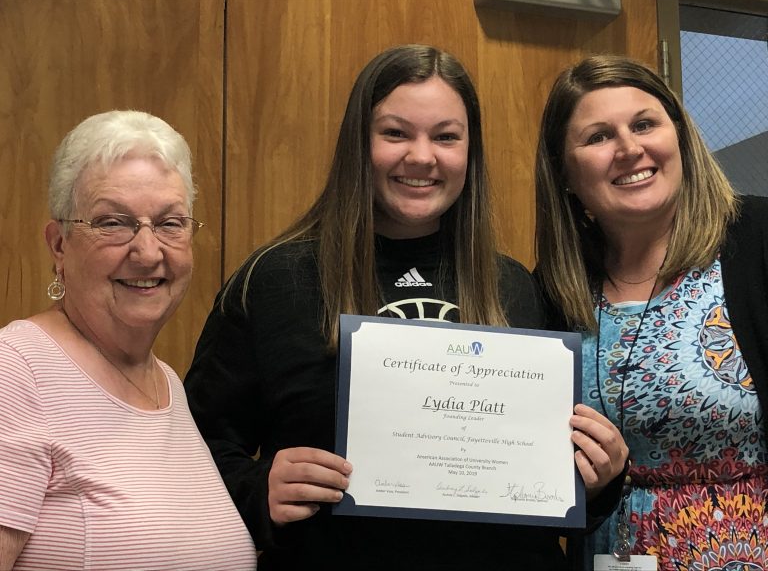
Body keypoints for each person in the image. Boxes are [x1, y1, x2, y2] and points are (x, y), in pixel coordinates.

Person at [185, 44, 627, 570]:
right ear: (358, 142)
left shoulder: (516, 286)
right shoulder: (275, 280)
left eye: (446, 136)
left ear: (470, 151)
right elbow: (191, 448)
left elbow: (551, 470)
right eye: (395, 133)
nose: (422, 156)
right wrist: (258, 489)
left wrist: (600, 476)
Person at [535, 54, 768, 570]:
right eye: (598, 137)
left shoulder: (757, 240)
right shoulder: (549, 292)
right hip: (605, 553)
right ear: (566, 174)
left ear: (679, 138)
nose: (629, 148)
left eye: (644, 124)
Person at [0, 111, 257, 570]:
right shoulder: (16, 373)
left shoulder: (167, 384)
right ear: (59, 244)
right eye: (112, 222)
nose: (147, 252)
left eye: (170, 223)